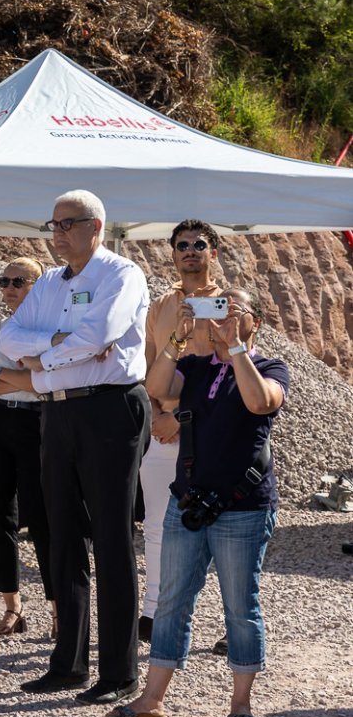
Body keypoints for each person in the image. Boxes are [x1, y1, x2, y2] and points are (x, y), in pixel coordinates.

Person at [106, 288, 286, 717]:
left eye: (232, 310)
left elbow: (259, 402)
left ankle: (240, 703)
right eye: (216, 309)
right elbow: (156, 388)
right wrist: (178, 339)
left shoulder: (269, 367)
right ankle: (151, 699)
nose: (220, 317)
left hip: (243, 506)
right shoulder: (194, 366)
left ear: (255, 322)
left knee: (240, 606)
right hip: (189, 500)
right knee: (170, 601)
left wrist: (235, 347)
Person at [0, 189, 151, 705]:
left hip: (109, 408)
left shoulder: (121, 275)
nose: (59, 233)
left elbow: (103, 332)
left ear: (97, 225)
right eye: (54, 224)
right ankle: (68, 663)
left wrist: (45, 354)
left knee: (110, 536)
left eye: (69, 223)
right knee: (60, 534)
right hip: (58, 410)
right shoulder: (46, 283)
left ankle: (120, 672)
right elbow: (9, 341)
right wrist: (55, 351)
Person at [139, 220, 223, 644]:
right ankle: (153, 613)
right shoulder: (159, 307)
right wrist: (157, 414)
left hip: (209, 433)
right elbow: (149, 364)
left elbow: (227, 377)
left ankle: (232, 623)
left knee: (221, 529)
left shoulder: (230, 304)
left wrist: (182, 419)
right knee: (156, 526)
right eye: (182, 245)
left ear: (213, 252)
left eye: (199, 244)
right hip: (161, 429)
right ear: (172, 254)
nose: (190, 250)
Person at [0, 257, 54, 638]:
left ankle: (58, 607)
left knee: (43, 518)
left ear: (39, 285)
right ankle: (12, 607)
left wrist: (1, 375)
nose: (9, 287)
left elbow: (48, 384)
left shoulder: (55, 331)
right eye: (3, 280)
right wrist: (21, 379)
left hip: (38, 423)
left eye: (18, 280)